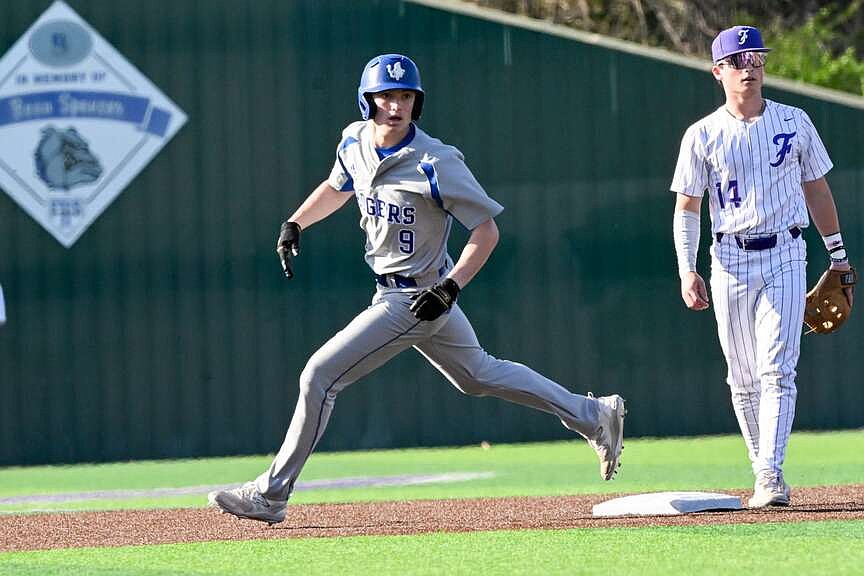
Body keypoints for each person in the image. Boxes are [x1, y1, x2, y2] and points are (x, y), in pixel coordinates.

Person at [208, 53, 626, 524]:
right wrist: (296, 222)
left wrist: (451, 287)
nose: (395, 105)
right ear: (367, 100)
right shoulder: (354, 141)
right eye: (386, 95)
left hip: (416, 298)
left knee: (319, 377)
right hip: (400, 291)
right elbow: (337, 185)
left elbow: (486, 231)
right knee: (478, 375)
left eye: (405, 95)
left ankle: (271, 494)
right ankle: (592, 414)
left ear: (417, 103)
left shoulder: (435, 161)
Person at [671, 26, 854, 508]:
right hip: (728, 258)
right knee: (741, 375)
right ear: (718, 73)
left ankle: (770, 475)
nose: (749, 67)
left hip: (787, 251)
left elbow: (817, 189)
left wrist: (837, 254)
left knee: (777, 369)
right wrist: (687, 269)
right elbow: (688, 207)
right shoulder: (702, 134)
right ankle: (763, 470)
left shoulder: (795, 120)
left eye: (755, 59)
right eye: (737, 61)